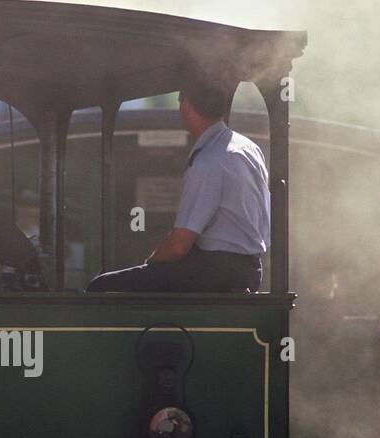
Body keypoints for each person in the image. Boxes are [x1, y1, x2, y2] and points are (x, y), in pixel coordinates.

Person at [87, 78, 269, 293]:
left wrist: (151, 264)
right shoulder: (249, 148)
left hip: (217, 274)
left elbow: (179, 245)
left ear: (186, 104)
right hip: (250, 270)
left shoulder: (209, 161)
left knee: (102, 286)